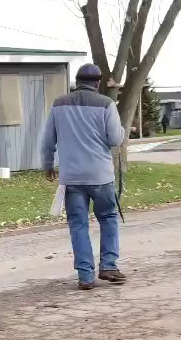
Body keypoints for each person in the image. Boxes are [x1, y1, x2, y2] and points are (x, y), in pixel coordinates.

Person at [40, 64, 127, 291]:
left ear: (77, 81)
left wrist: (48, 165)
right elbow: (115, 139)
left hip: (72, 178)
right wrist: (124, 130)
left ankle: (85, 276)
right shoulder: (107, 104)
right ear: (97, 83)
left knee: (78, 225)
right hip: (100, 176)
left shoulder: (59, 104)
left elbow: (48, 140)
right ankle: (108, 265)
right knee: (107, 218)